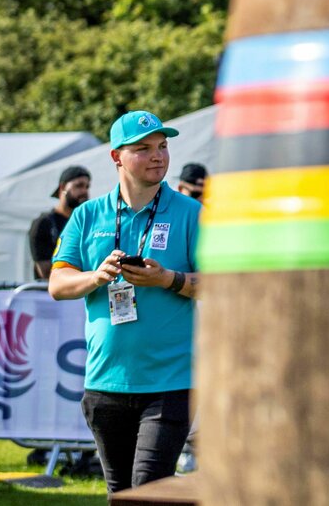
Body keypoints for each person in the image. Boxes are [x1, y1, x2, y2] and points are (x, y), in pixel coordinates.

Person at [49, 111, 204, 495]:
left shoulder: (192, 213)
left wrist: (168, 279)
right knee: (120, 493)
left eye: (162, 146)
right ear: (117, 156)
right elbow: (57, 283)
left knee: (147, 489)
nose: (158, 156)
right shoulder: (87, 215)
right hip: (105, 383)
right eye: (144, 149)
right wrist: (96, 276)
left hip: (170, 383)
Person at [30, 166, 91, 281]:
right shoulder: (44, 223)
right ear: (62, 187)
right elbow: (46, 273)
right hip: (52, 290)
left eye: (87, 187)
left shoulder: (87, 222)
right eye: (79, 185)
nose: (84, 191)